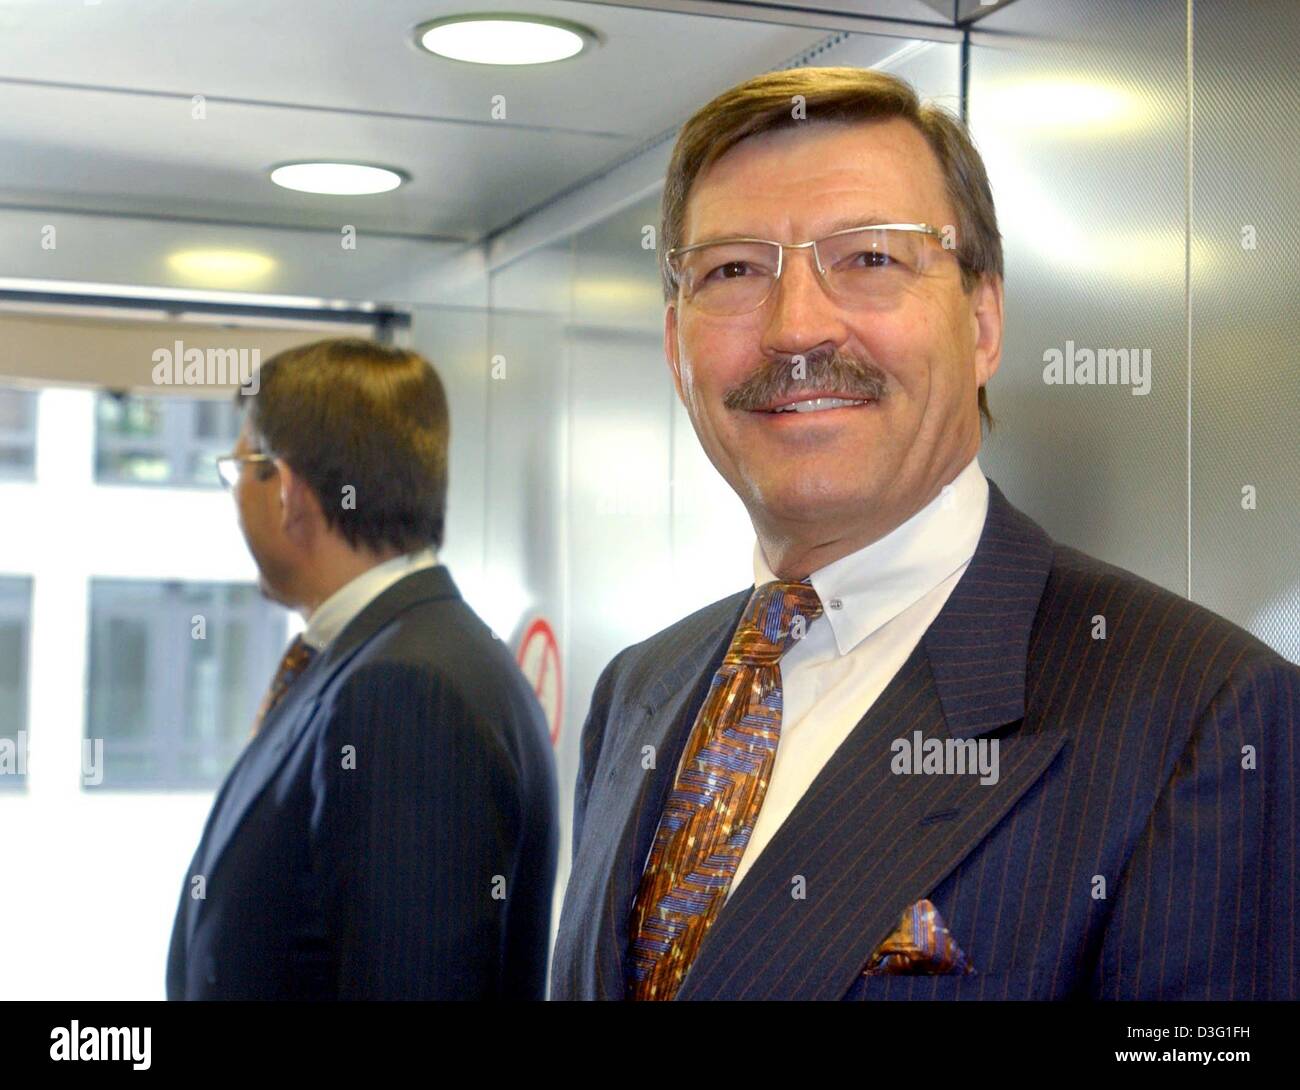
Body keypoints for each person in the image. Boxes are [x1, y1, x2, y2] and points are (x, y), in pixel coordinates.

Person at [549, 67, 1299, 1001]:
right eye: (734, 270)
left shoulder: (1201, 714)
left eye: (870, 259)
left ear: (983, 322)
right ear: (675, 344)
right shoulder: (639, 692)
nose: (795, 329)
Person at [166, 337, 557, 999]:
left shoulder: (407, 690)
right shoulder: (391, 656)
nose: (234, 502)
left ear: (287, 490)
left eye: (238, 474)